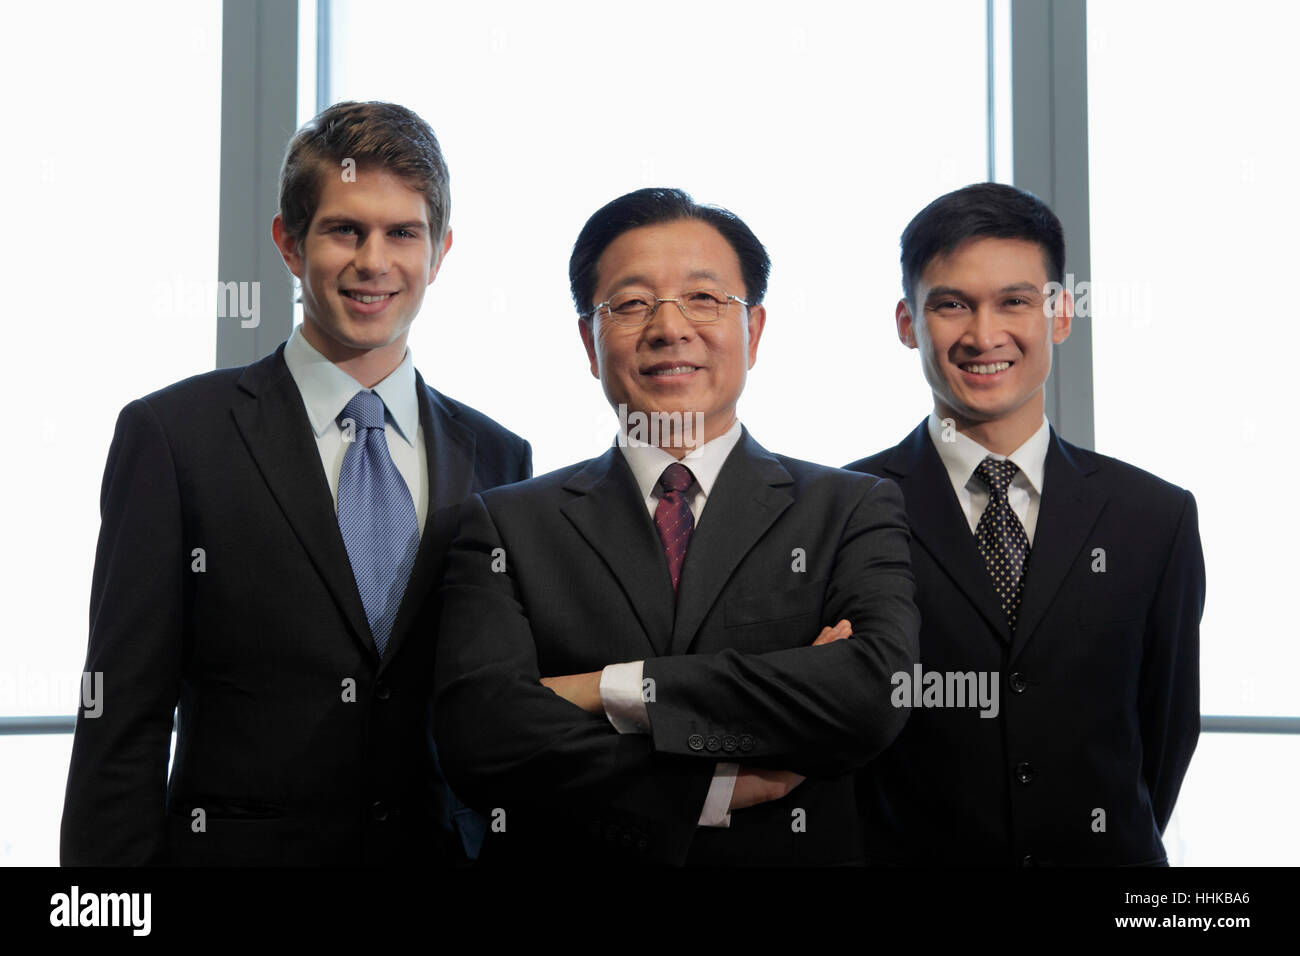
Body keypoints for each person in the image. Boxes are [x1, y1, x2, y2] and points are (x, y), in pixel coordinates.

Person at [60, 101, 532, 866]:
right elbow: (123, 717)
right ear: (289, 242)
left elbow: (501, 714)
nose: (373, 261)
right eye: (345, 230)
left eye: (402, 233)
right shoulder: (177, 438)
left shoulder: (500, 458)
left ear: (440, 251)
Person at [432, 187, 919, 865]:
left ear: (753, 330)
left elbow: (871, 695)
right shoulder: (505, 524)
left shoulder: (851, 508)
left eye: (704, 298)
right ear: (587, 338)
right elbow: (481, 736)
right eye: (630, 304)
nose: (668, 327)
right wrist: (707, 790)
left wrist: (602, 688)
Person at [845, 182, 1203, 865]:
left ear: (1061, 315)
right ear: (906, 321)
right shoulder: (841, 509)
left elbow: (1162, 738)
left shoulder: (1154, 518)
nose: (984, 335)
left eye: (1014, 301)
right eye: (951, 304)